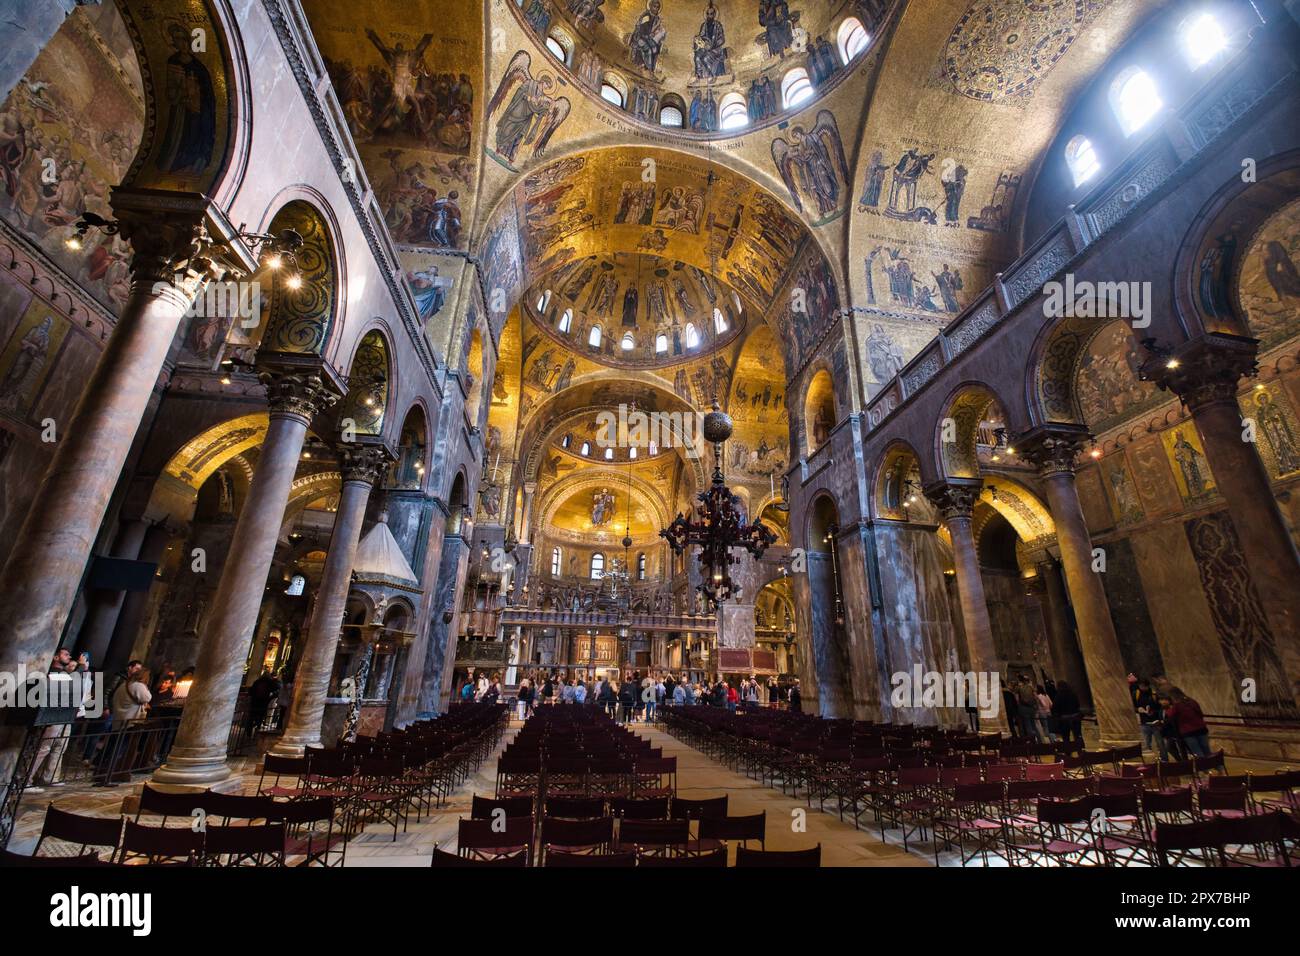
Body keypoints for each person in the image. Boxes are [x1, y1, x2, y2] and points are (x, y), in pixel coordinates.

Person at [1167, 687, 1211, 757]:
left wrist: (1169, 706)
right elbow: (1200, 713)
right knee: (1206, 750)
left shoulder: (1177, 705)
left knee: (1197, 752)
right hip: (1201, 728)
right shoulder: (1192, 701)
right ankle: (1217, 765)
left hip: (1188, 731)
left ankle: (1205, 766)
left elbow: (1169, 715)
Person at [1131, 677, 1167, 760]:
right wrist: (1138, 709)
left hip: (1155, 721)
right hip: (1144, 722)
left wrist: (1152, 712)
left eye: (1144, 686)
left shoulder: (1154, 694)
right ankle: (1149, 760)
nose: (1142, 688)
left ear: (1148, 686)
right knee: (1147, 743)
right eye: (1140, 686)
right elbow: (1133, 706)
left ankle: (1164, 760)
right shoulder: (1136, 694)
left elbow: (1160, 707)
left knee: (1160, 743)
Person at [247, 668, 279, 735]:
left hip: (255, 701)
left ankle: (249, 731)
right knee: (260, 716)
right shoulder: (270, 682)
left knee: (252, 716)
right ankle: (257, 730)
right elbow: (277, 687)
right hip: (263, 701)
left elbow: (251, 690)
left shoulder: (257, 681)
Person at [1051, 680, 1083, 746]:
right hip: (1075, 717)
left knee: (1066, 737)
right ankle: (1080, 750)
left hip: (1064, 719)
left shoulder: (1058, 696)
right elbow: (1077, 704)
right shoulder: (1073, 694)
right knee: (1078, 735)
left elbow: (1055, 708)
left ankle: (1068, 752)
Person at [1015, 677, 1041, 742]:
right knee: (1034, 725)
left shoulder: (1019, 688)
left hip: (1023, 708)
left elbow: (1017, 699)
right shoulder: (1031, 687)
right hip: (1032, 708)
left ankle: (1033, 741)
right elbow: (1036, 697)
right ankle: (1039, 740)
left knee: (1027, 725)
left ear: (1022, 681)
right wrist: (1036, 706)